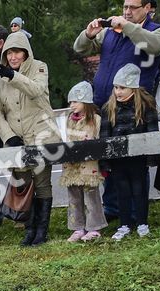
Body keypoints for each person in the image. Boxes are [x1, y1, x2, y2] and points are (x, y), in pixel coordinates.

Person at [0, 30, 59, 246]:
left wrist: (13, 76)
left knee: (42, 183)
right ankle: (29, 229)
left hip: (40, 135)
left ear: (26, 53)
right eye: (9, 53)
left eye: (17, 52)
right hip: (17, 140)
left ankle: (42, 231)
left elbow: (37, 90)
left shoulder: (40, 67)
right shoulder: (1, 79)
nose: (12, 57)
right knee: (23, 183)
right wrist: (8, 136)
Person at [101, 63, 158, 239]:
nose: (118, 91)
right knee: (122, 192)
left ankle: (142, 222)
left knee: (139, 191)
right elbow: (104, 136)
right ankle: (124, 223)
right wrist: (105, 160)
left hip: (138, 159)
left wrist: (151, 157)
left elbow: (152, 132)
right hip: (118, 160)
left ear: (133, 87)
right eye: (116, 87)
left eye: (122, 87)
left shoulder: (146, 105)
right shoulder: (108, 108)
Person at [75, 4, 160, 106]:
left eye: (133, 8)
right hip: (101, 103)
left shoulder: (155, 31)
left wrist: (126, 26)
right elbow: (80, 49)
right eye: (125, 7)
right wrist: (88, 35)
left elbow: (156, 47)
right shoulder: (109, 31)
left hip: (133, 108)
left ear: (147, 8)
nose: (127, 12)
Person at [61, 81, 106, 241]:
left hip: (88, 166)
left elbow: (96, 140)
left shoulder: (95, 119)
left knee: (90, 196)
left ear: (85, 101)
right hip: (72, 165)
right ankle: (77, 227)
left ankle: (94, 227)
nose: (71, 105)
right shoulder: (69, 120)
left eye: (75, 101)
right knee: (74, 197)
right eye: (70, 102)